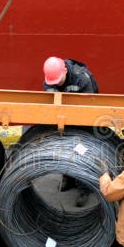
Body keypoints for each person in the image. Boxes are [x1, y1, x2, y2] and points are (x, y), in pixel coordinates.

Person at [43, 56, 99, 207]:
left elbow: (89, 109)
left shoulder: (83, 79)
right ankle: (68, 177)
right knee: (65, 147)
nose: (56, 84)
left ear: (65, 71)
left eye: (58, 81)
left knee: (82, 150)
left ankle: (84, 187)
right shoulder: (50, 79)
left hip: (85, 120)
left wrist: (79, 133)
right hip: (64, 118)